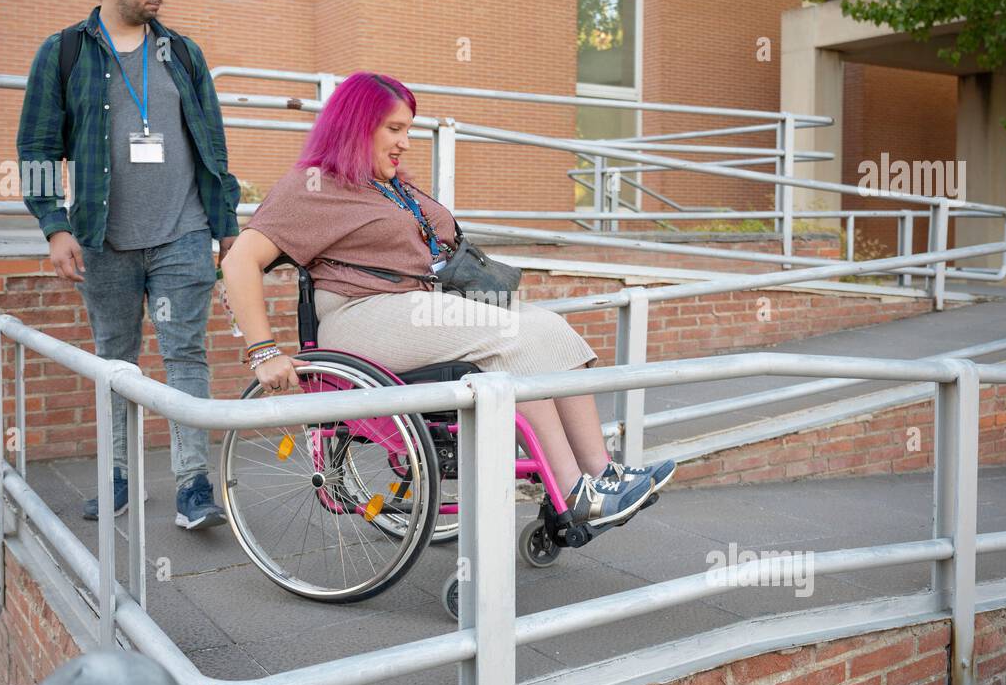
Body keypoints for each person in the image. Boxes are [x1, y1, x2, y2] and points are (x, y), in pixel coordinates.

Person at [219, 72, 675, 525]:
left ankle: (602, 474)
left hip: (418, 304)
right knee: (516, 338)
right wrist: (264, 351)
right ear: (355, 125)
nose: (406, 142)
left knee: (550, 329)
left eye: (408, 130)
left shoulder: (389, 184)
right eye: (394, 129)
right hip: (360, 314)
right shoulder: (313, 185)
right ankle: (574, 493)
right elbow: (240, 262)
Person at [17, 0, 240, 530]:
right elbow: (36, 146)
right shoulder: (64, 52)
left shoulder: (183, 55)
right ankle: (118, 477)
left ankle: (194, 487)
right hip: (103, 238)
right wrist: (54, 227)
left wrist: (225, 227)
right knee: (115, 360)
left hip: (183, 234)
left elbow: (212, 145)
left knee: (186, 356)